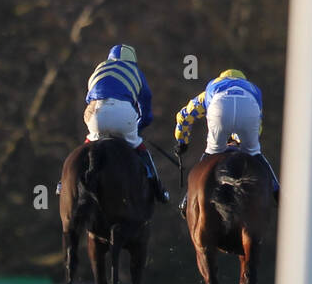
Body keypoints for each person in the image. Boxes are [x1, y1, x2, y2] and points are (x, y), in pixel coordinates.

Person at [174, 68, 280, 211]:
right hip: (248, 107)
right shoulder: (253, 90)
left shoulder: (209, 91)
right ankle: (277, 192)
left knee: (211, 152)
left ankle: (188, 198)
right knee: (255, 152)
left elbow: (184, 116)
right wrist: (238, 141)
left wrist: (182, 141)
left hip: (219, 105)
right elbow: (257, 126)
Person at [84, 44, 169, 204]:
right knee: (140, 148)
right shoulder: (136, 72)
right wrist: (138, 128)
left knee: (88, 144)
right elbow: (146, 110)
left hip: (96, 113)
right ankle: (158, 188)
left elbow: (89, 100)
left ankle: (64, 182)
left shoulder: (100, 67)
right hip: (123, 115)